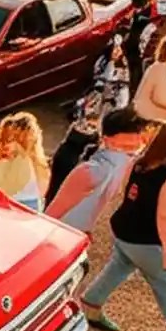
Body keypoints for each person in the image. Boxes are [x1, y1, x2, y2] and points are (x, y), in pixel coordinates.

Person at [80, 123, 166, 331]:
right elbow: (165, 218)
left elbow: (128, 194)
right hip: (147, 241)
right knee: (165, 284)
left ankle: (91, 303)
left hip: (125, 230)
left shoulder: (140, 163)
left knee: (119, 267)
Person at [46, 35, 131, 204]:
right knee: (70, 152)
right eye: (114, 48)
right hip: (87, 118)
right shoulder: (101, 64)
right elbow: (95, 85)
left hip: (101, 120)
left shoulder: (122, 69)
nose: (117, 52)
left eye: (119, 49)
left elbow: (121, 94)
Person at [45, 108, 150, 234]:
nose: (129, 155)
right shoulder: (89, 172)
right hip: (66, 239)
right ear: (107, 140)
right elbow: (50, 218)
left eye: (134, 149)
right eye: (125, 148)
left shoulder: (136, 168)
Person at [0, 112, 49, 211]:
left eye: (12, 140)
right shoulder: (1, 161)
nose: (7, 145)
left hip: (20, 208)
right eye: (5, 140)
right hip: (11, 206)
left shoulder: (34, 165)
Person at [123, 0, 159, 95]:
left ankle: (133, 88)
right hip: (138, 43)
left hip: (132, 42)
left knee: (133, 67)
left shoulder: (137, 9)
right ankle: (136, 90)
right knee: (137, 67)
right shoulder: (146, 12)